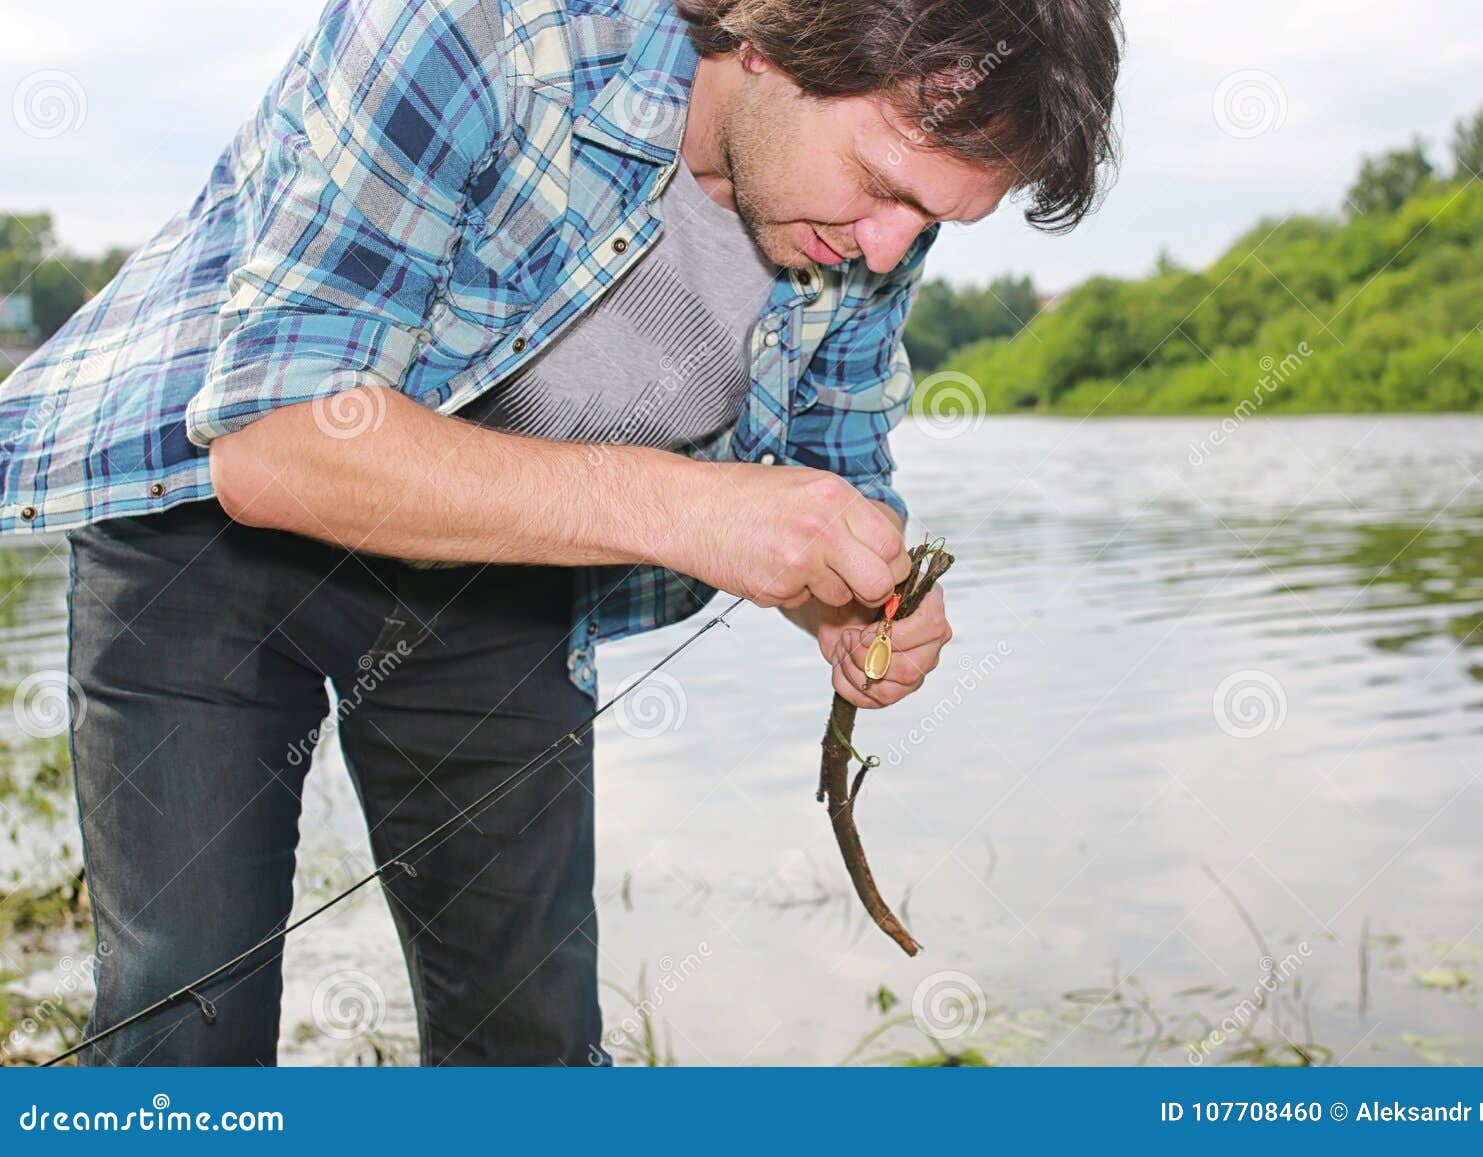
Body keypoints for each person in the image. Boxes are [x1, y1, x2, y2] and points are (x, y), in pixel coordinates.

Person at [0, 0, 1121, 1064]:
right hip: (205, 534)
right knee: (184, 1007)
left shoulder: (868, 221)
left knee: (530, 1049)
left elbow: (830, 467)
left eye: (930, 218)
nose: (887, 250)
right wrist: (682, 507)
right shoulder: (486, 28)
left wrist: (852, 597)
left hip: (498, 579)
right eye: (880, 187)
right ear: (772, 38)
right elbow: (278, 439)